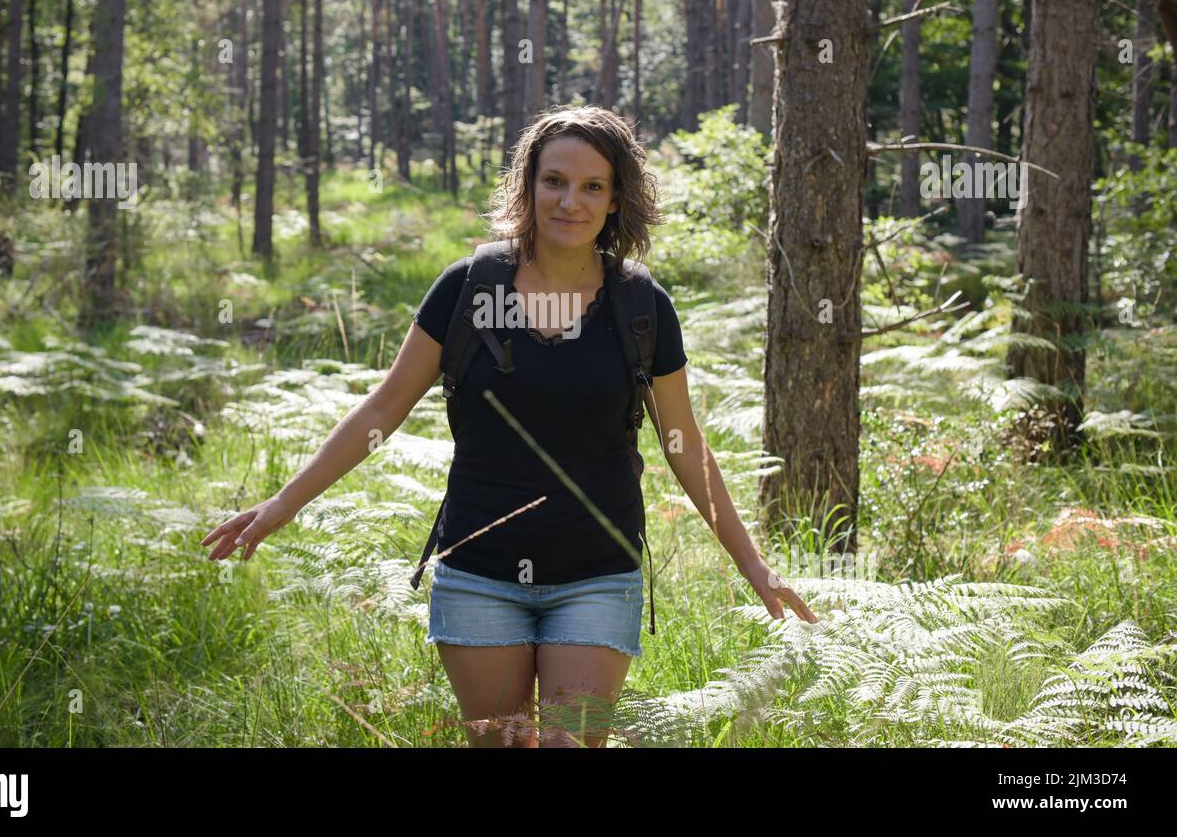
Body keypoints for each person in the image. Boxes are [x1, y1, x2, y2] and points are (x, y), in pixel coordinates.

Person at [202, 105, 817, 748]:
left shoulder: (641, 307)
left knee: (567, 743)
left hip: (598, 572)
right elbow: (383, 410)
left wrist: (753, 565)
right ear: (527, 186)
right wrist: (282, 504)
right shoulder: (468, 289)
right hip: (479, 569)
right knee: (501, 743)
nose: (569, 202)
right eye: (554, 181)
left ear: (616, 200)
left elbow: (683, 443)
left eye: (592, 187)